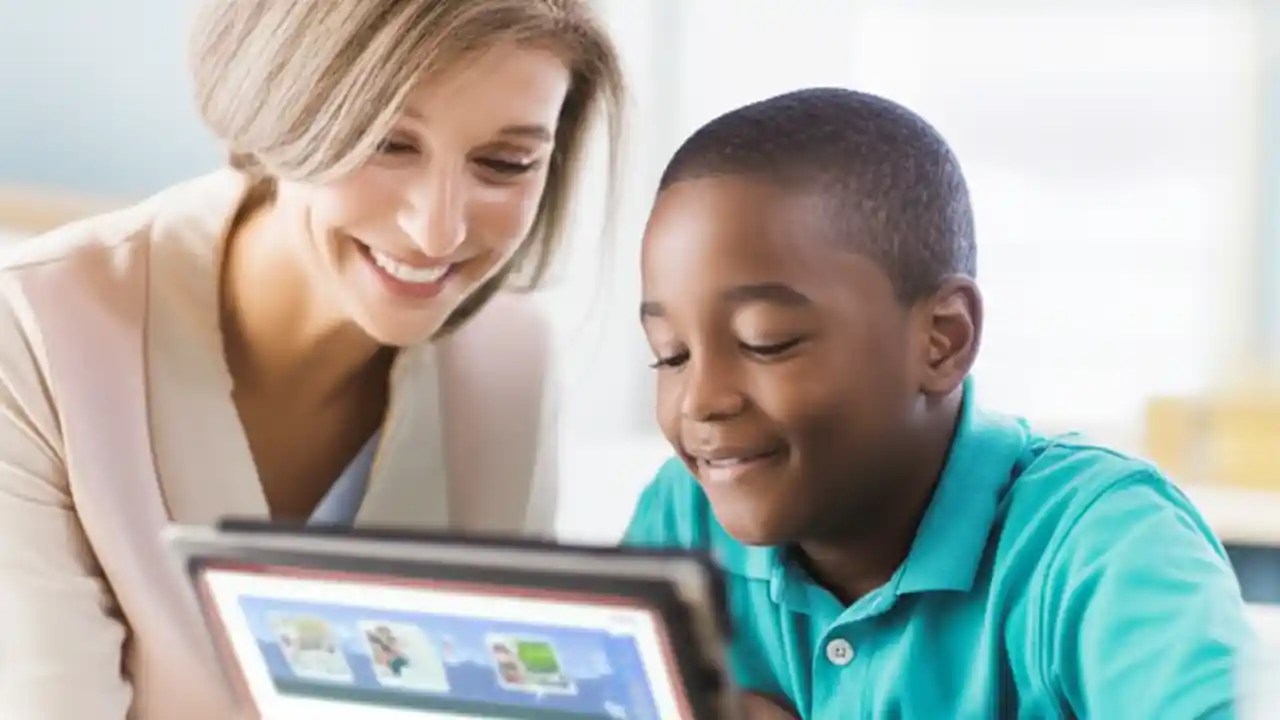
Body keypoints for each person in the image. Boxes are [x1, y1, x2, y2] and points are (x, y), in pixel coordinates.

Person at [0, 1, 623, 718]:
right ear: (287, 112)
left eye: (504, 163)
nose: (438, 229)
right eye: (389, 144)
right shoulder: (33, 336)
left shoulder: (510, 360)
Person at [625, 87, 1253, 718]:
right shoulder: (686, 522)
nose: (701, 400)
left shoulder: (1106, 546)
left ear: (942, 339)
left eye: (768, 341)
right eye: (671, 354)